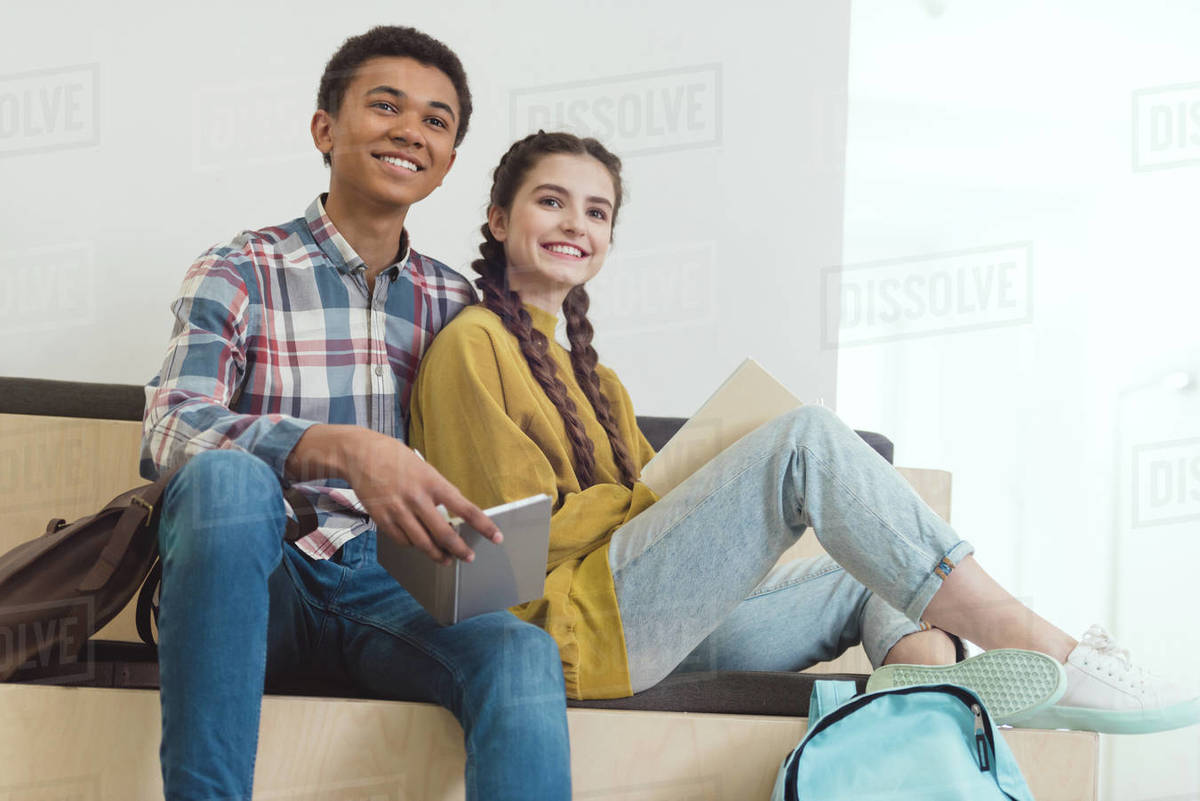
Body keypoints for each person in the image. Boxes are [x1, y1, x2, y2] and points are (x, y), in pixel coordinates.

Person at [408, 130, 1200, 734]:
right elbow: (506, 537)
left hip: (653, 622)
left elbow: (647, 512)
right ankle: (1049, 648)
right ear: (498, 217)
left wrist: (686, 488)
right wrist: (678, 496)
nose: (575, 223)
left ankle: (931, 707)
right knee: (809, 435)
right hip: (570, 630)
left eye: (597, 210)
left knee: (877, 572)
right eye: (552, 201)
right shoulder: (471, 344)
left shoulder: (596, 375)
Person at [141, 28, 571, 801]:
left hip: (393, 592)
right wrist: (334, 447)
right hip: (262, 578)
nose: (412, 130)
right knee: (226, 485)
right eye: (386, 106)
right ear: (325, 129)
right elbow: (171, 428)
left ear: (445, 164)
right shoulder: (240, 268)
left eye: (437, 122)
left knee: (519, 649)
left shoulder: (460, 307)